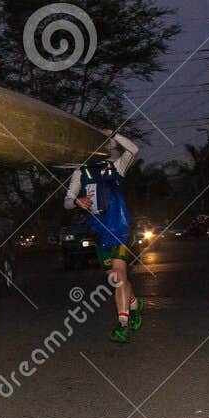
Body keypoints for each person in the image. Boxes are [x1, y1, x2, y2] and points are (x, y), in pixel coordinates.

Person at [63, 130, 143, 342]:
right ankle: (134, 305)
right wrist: (77, 201)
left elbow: (134, 149)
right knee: (116, 279)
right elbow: (67, 201)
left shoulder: (117, 166)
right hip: (98, 228)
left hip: (119, 226)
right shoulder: (81, 171)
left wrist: (115, 133)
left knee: (119, 276)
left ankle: (122, 325)